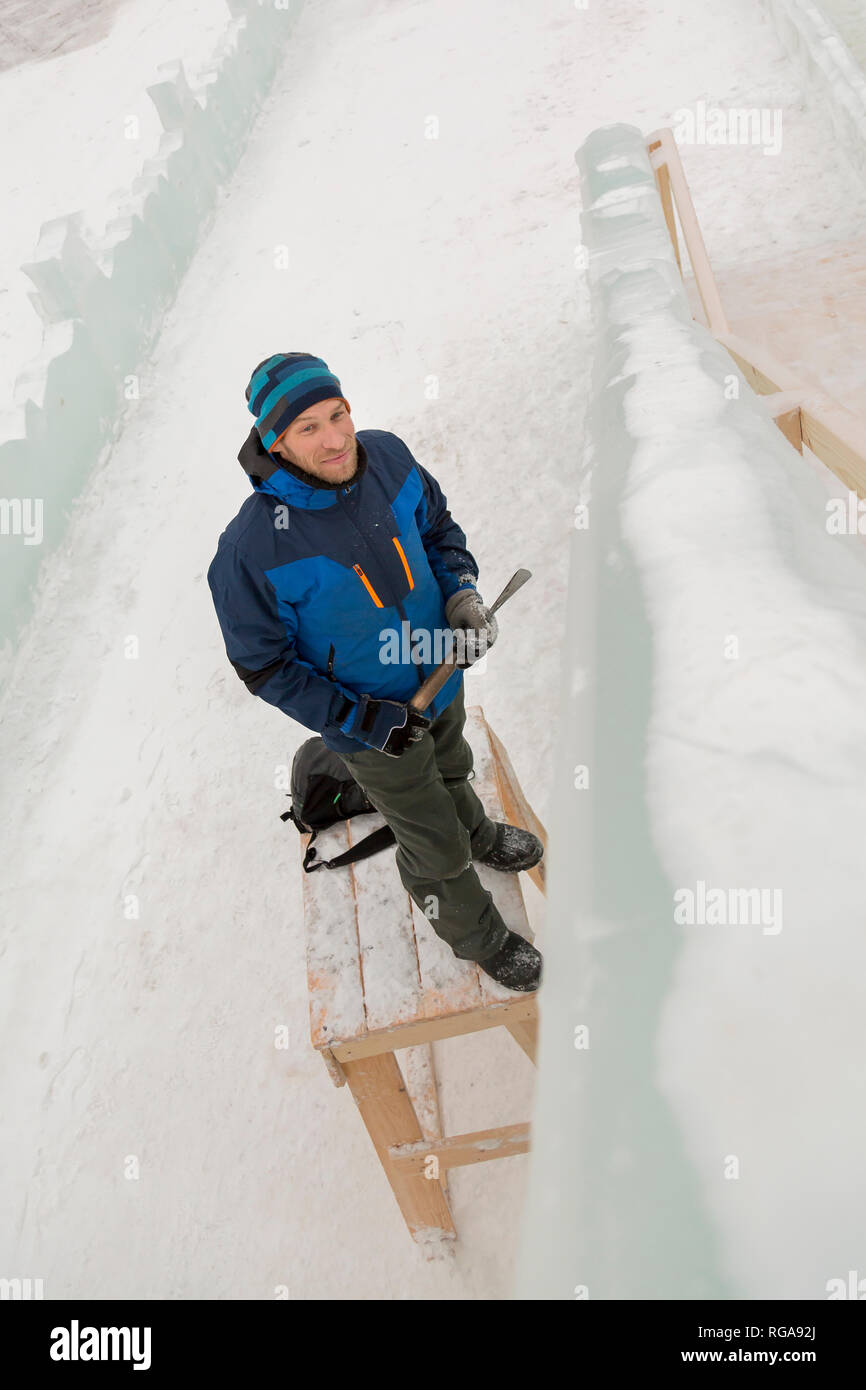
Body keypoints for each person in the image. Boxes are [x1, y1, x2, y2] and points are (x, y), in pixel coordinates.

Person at [207, 352, 543, 991]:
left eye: (338, 415)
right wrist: (360, 719)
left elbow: (439, 532)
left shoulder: (388, 458)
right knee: (428, 838)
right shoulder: (251, 549)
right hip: (371, 726)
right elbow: (264, 665)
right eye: (307, 428)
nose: (335, 439)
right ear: (274, 441)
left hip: (441, 675)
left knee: (452, 766)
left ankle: (477, 832)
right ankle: (477, 935)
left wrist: (461, 595)